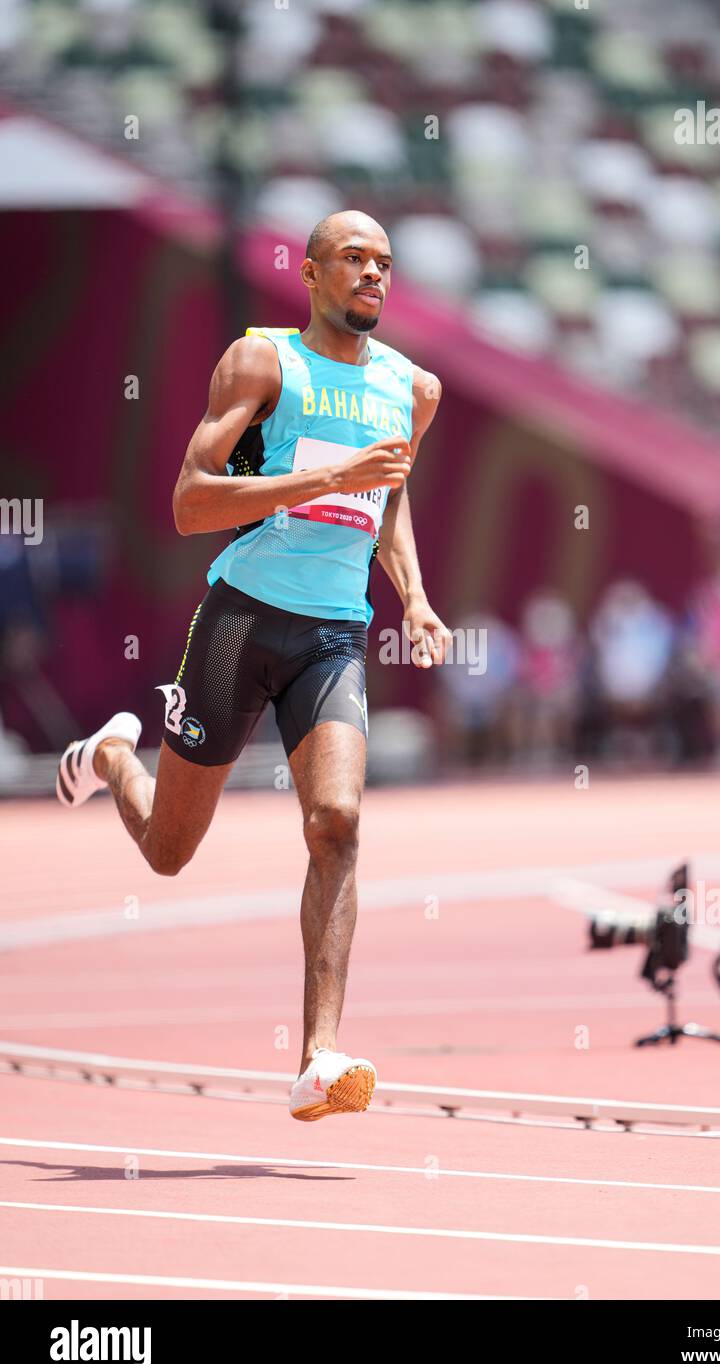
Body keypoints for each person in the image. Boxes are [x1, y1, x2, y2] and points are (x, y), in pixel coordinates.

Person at [56, 210, 451, 1121]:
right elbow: (191, 503)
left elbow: (390, 498)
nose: (373, 275)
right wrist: (316, 480)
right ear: (310, 274)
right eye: (353, 259)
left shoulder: (414, 388)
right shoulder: (261, 362)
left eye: (386, 263)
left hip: (333, 635)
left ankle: (319, 1057)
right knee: (168, 853)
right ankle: (116, 757)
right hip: (240, 621)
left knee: (339, 823)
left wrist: (417, 596)